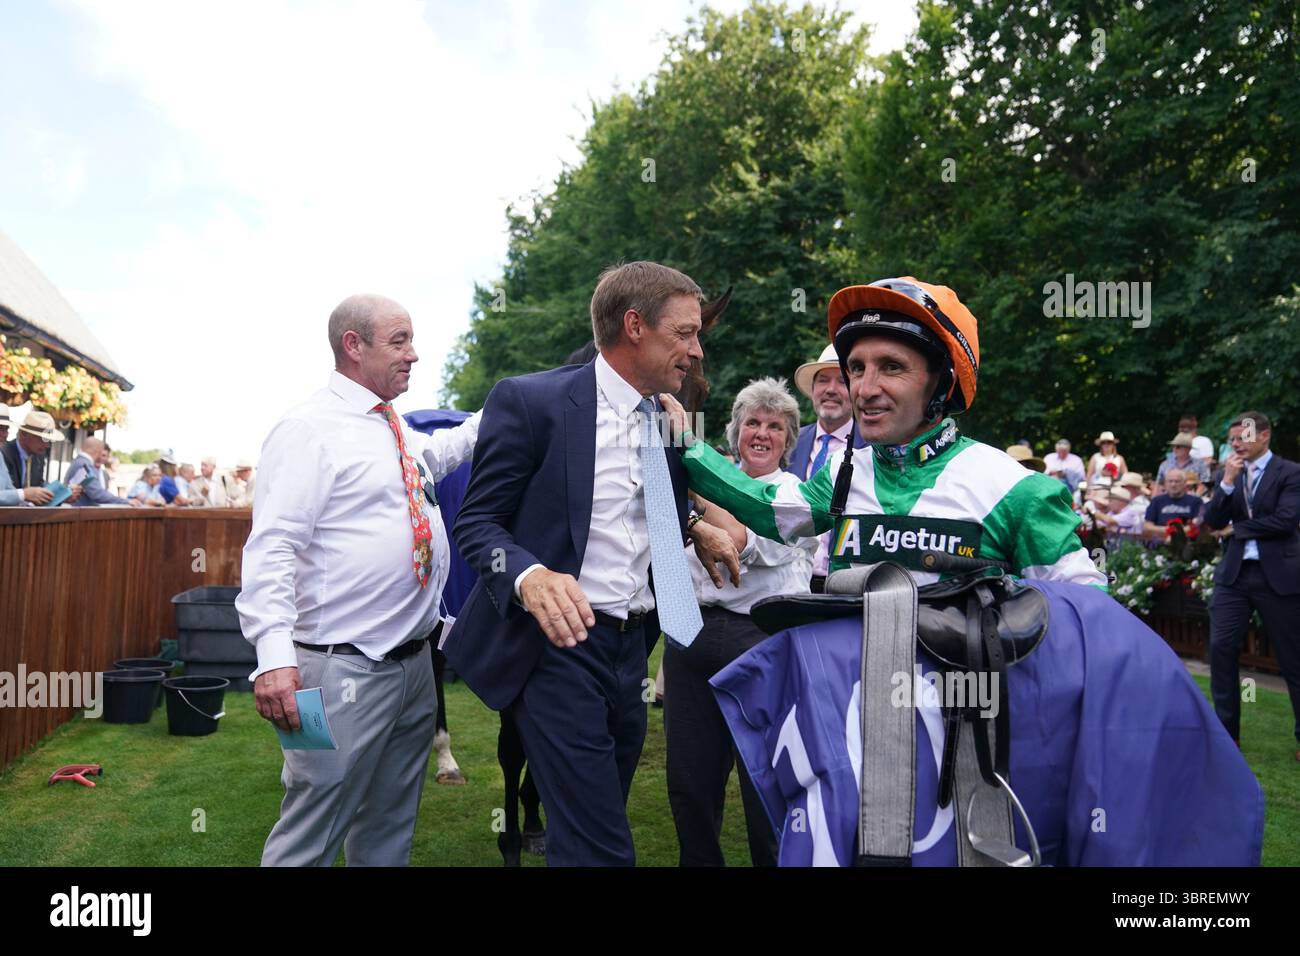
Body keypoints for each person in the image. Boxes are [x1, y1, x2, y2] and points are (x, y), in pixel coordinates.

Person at [445, 260, 742, 867]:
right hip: (557, 650)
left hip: (634, 653)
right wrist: (530, 576)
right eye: (684, 332)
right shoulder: (532, 402)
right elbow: (476, 524)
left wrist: (693, 528)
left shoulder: (667, 420)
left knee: (587, 825)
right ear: (634, 325)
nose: (696, 348)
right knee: (601, 847)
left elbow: (634, 508)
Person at [237, 292, 481, 867]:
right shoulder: (308, 429)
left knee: (390, 827)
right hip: (329, 670)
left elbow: (439, 456)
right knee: (311, 828)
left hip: (414, 669)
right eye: (400, 341)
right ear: (353, 345)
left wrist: (514, 404)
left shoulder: (389, 425)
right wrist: (273, 658)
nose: (414, 355)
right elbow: (273, 546)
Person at [661, 276, 1106, 590]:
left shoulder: (1018, 489)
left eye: (892, 367)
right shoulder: (841, 474)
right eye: (857, 368)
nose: (865, 389)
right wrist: (688, 443)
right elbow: (763, 508)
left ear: (942, 383)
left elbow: (1088, 619)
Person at [668, 377, 816, 867]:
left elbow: (734, 535)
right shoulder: (712, 475)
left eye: (775, 426)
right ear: (735, 431)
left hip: (758, 641)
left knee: (764, 782)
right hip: (693, 636)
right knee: (691, 780)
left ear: (788, 441)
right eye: (752, 421)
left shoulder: (790, 494)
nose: (762, 432)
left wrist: (686, 482)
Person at [1202, 411, 1300, 757]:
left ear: (1264, 436)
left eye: (1242, 436)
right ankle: (1228, 735)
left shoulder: (1291, 472)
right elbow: (1212, 521)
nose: (1235, 443)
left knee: (1292, 657)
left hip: (1280, 576)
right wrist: (1226, 482)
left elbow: (1287, 520)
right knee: (1221, 648)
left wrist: (1238, 529)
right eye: (1231, 439)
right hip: (1234, 576)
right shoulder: (1229, 473)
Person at [788, 343, 868, 591]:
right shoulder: (789, 442)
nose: (831, 390)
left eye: (842, 381)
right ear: (812, 390)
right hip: (788, 582)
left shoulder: (873, 449)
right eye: (823, 380)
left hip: (845, 585)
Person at [0, 407, 53, 505]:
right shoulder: (5, 452)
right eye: (42, 439)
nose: (5, 434)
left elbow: (10, 489)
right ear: (23, 434)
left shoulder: (38, 457)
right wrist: (24, 494)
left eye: (6, 429)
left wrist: (62, 493)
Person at [66, 437, 138, 507]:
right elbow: (97, 494)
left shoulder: (80, 462)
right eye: (101, 452)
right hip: (80, 515)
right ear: (97, 450)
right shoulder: (84, 464)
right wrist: (126, 501)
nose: (101, 456)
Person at [1143, 467, 1202, 537]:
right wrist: (1169, 530)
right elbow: (1147, 526)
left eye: (1177, 481)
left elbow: (1198, 523)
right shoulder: (1156, 501)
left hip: (1188, 540)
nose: (1173, 484)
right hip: (1161, 540)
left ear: (1184, 483)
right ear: (1165, 483)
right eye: (1170, 481)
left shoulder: (1195, 501)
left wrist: (1180, 532)